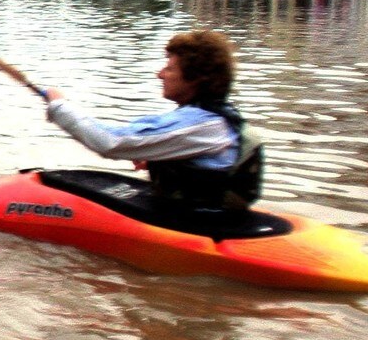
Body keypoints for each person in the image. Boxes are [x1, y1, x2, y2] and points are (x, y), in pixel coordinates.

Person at [41, 29, 261, 216]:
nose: (160, 74)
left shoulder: (201, 123)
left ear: (195, 79)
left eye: (170, 68)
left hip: (203, 219)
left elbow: (110, 142)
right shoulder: (221, 117)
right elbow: (211, 163)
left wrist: (60, 106)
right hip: (216, 211)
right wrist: (161, 161)